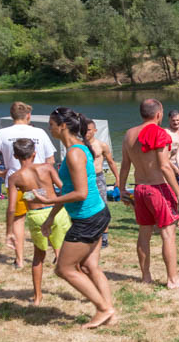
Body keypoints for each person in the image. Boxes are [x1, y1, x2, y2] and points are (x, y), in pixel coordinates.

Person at [29, 109, 115, 328]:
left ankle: (104, 309)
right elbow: (68, 189)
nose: (49, 128)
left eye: (51, 124)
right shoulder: (76, 149)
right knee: (90, 266)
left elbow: (80, 193)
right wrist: (50, 217)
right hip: (96, 213)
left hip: (87, 218)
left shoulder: (75, 153)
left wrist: (48, 201)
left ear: (63, 126)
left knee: (64, 268)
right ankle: (110, 314)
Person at [119, 99, 179, 289]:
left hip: (139, 188)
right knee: (168, 234)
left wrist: (121, 189)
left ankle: (146, 277)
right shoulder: (159, 132)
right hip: (157, 188)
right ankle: (173, 280)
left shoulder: (128, 134)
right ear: (159, 114)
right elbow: (164, 166)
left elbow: (125, 166)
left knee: (144, 234)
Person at [0, 101, 57, 268]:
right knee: (47, 216)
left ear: (12, 116)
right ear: (28, 116)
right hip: (38, 185)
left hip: (17, 185)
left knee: (18, 220)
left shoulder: (2, 133)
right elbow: (51, 160)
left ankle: (20, 260)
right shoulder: (39, 132)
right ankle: (58, 255)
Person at [6, 138, 71, 305]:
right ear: (34, 154)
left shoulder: (15, 177)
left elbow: (12, 207)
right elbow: (63, 188)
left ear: (15, 156)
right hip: (57, 211)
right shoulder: (47, 168)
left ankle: (37, 297)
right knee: (71, 250)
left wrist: (9, 231)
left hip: (36, 215)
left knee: (38, 257)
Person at [85, 120, 120, 248]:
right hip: (83, 178)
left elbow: (111, 162)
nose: (86, 132)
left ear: (95, 130)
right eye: (84, 129)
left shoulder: (101, 145)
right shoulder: (79, 146)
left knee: (102, 207)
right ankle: (88, 234)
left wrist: (118, 178)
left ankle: (104, 237)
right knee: (85, 207)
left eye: (89, 129)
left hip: (98, 178)